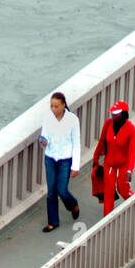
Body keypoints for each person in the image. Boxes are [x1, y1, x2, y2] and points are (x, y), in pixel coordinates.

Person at [39, 90, 81, 232]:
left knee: (62, 190)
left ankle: (73, 204)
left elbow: (76, 143)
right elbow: (44, 136)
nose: (53, 109)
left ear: (63, 105)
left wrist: (75, 166)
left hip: (65, 159)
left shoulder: (72, 120)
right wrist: (43, 142)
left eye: (56, 106)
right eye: (52, 106)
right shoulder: (47, 118)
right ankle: (53, 221)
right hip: (50, 157)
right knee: (51, 192)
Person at [92, 100, 135, 216]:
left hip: (123, 166)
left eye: (116, 113)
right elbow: (102, 141)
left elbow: (133, 152)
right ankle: (106, 220)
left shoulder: (131, 129)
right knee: (108, 194)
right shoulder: (108, 124)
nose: (113, 115)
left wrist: (129, 170)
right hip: (109, 165)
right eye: (112, 113)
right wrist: (95, 158)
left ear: (123, 114)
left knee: (123, 190)